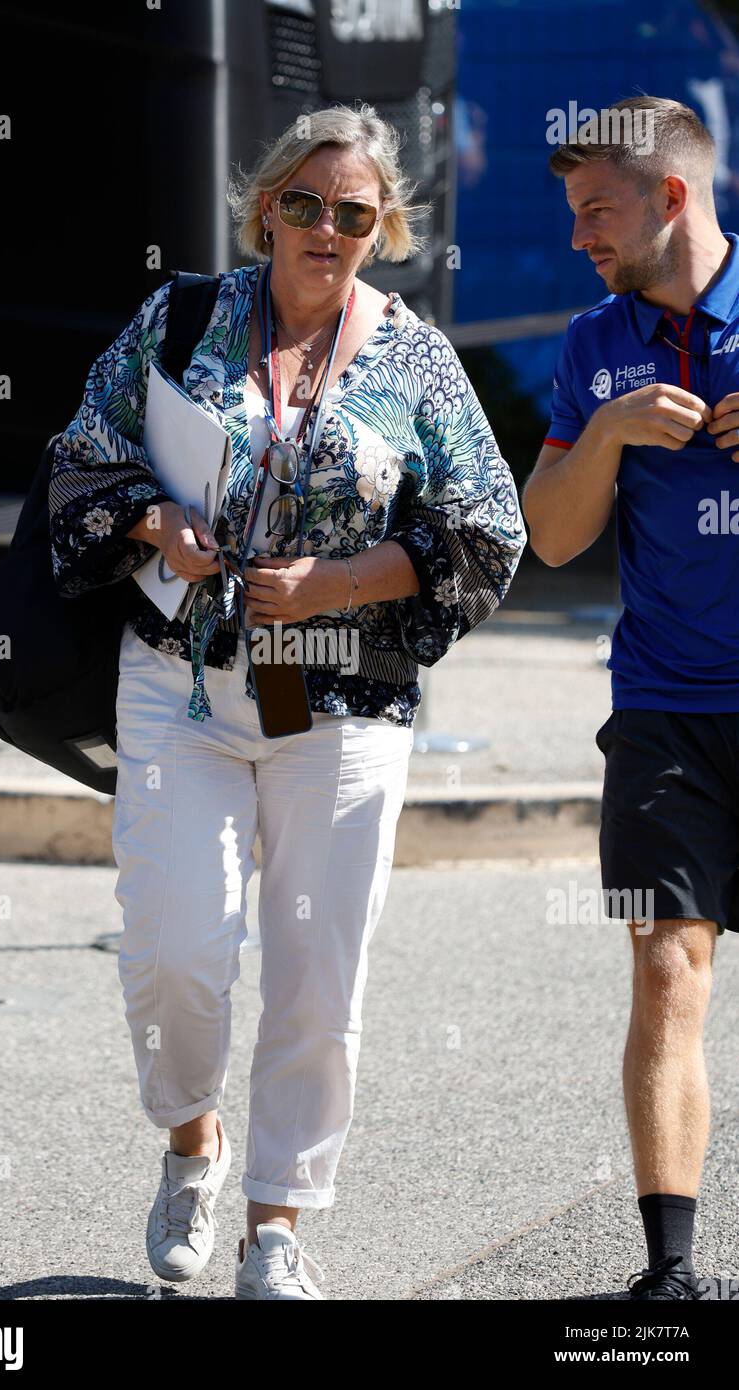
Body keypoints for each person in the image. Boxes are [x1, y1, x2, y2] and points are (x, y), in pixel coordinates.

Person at [48, 101, 525, 1300]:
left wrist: (343, 579)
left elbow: (489, 528)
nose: (324, 227)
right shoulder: (185, 316)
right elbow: (76, 457)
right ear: (266, 207)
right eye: (303, 204)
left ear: (384, 229)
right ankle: (188, 1141)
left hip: (344, 702)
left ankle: (276, 1227)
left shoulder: (417, 359)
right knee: (175, 952)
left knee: (317, 977)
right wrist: (157, 519)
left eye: (352, 213)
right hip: (178, 677)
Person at [524, 95, 739, 1301]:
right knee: (665, 965)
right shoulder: (590, 343)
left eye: (596, 209)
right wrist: (603, 433)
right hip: (660, 706)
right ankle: (672, 1273)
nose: (579, 237)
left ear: (671, 197)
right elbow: (552, 542)